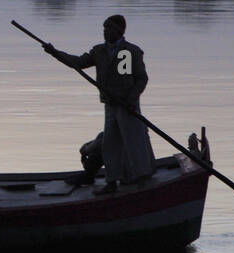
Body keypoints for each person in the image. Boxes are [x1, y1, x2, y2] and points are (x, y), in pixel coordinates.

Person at [42, 14, 154, 194]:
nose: (105, 32)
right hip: (110, 105)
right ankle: (111, 181)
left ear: (119, 31)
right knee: (109, 144)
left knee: (133, 143)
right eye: (104, 29)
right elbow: (77, 62)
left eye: (108, 29)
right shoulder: (99, 51)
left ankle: (141, 179)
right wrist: (55, 53)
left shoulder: (131, 51)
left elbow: (141, 78)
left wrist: (132, 98)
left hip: (127, 106)